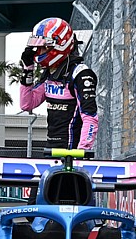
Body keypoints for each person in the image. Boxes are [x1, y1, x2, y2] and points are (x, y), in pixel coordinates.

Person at [17, 17, 98, 150]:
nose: (38, 53)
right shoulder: (50, 73)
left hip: (72, 151)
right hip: (51, 149)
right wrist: (28, 69)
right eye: (37, 48)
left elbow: (90, 117)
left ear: (61, 44)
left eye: (43, 48)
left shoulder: (80, 74)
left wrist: (82, 150)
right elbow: (27, 104)